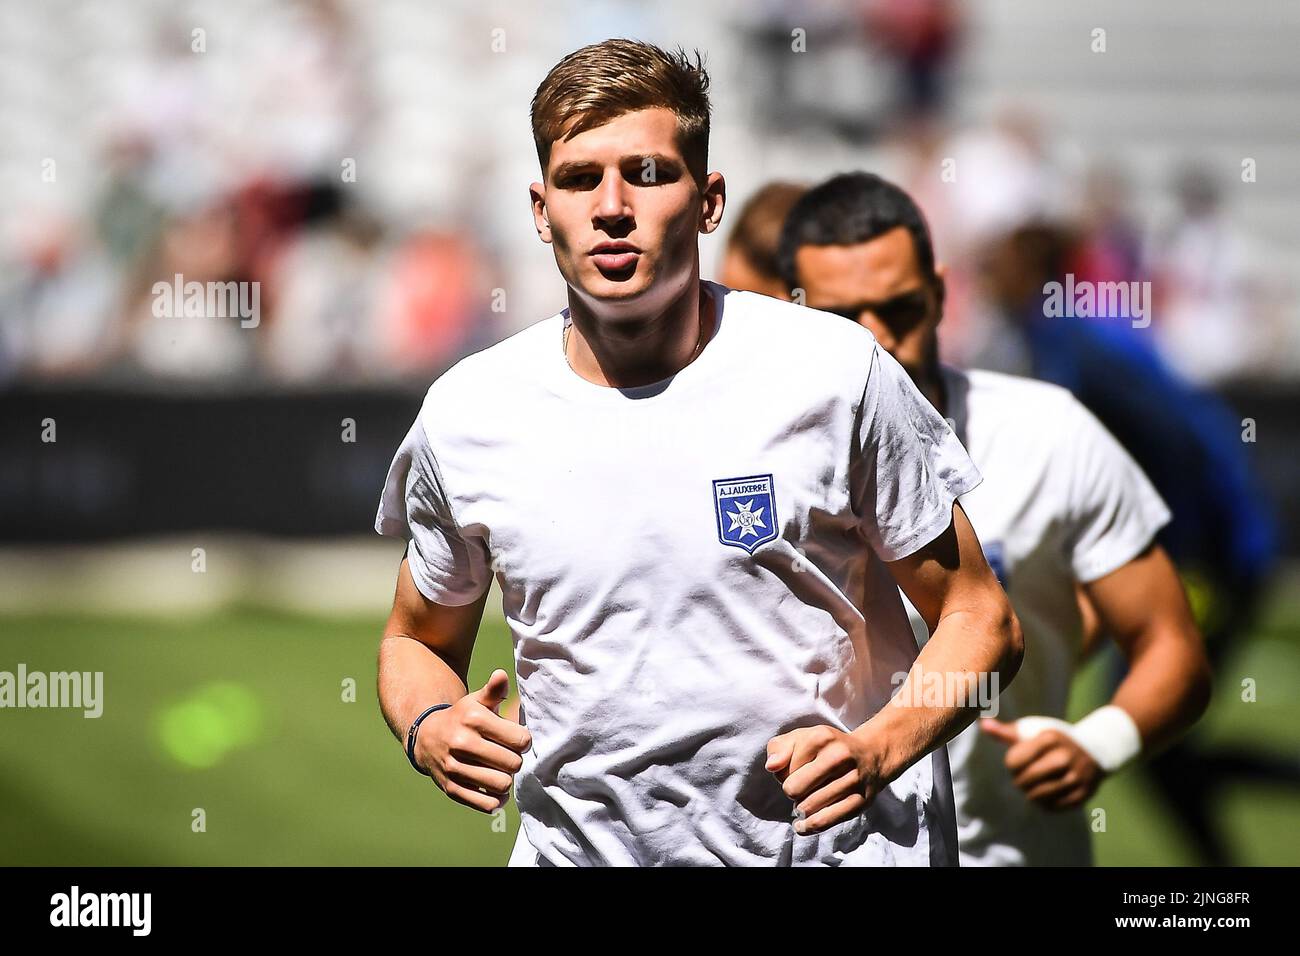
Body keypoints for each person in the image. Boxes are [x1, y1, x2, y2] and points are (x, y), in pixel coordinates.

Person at [374, 40, 1022, 867]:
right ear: (541, 210)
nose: (612, 206)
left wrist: (883, 747)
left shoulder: (834, 373)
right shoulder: (468, 412)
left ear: (709, 199)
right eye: (579, 180)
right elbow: (416, 641)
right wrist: (430, 723)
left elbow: (980, 619)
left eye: (647, 173)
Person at [776, 172, 1211, 865]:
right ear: (789, 310)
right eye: (845, 317)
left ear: (942, 294)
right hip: (818, 853)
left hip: (1011, 853)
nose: (877, 340)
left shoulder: (1050, 434)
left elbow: (1171, 643)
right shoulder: (746, 458)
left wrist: (1100, 741)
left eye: (900, 309)